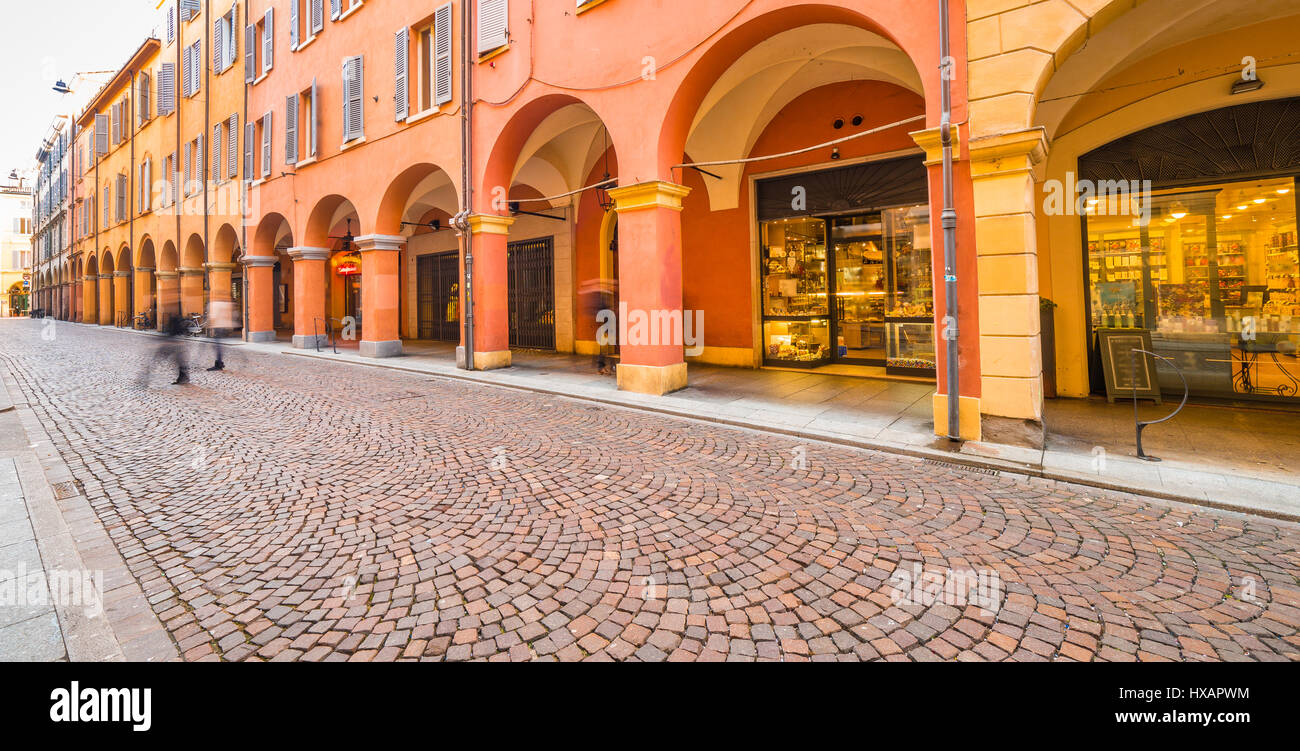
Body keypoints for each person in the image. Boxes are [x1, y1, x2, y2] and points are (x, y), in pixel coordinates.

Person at [207, 299, 236, 371]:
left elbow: (214, 317)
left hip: (218, 327)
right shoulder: (224, 304)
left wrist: (210, 324)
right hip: (223, 327)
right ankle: (219, 362)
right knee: (217, 346)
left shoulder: (215, 304)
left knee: (217, 347)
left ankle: (219, 364)